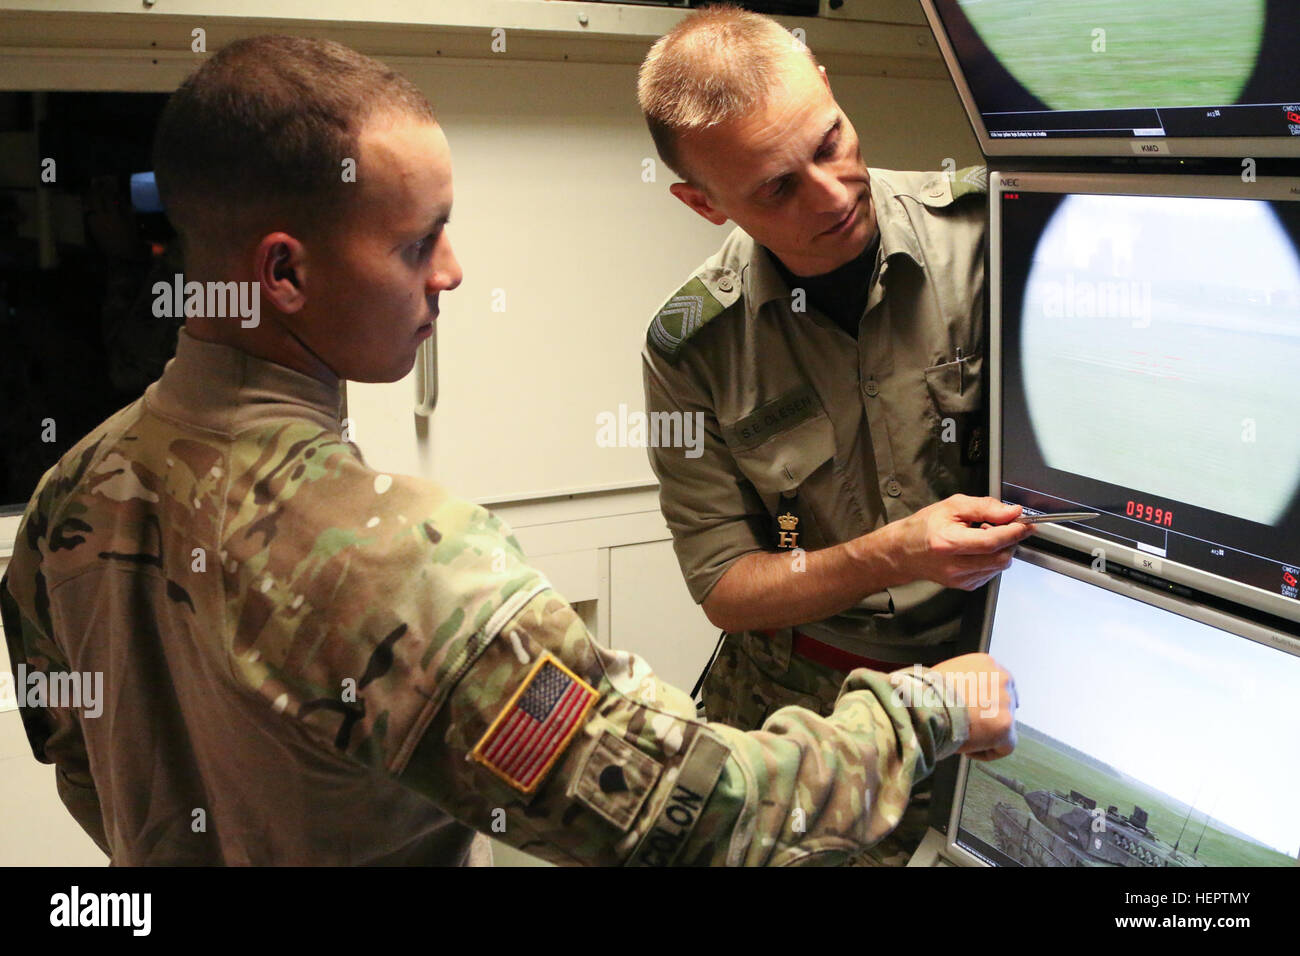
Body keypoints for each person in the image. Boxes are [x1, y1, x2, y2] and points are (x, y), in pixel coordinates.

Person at [0, 34, 1016, 867]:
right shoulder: (396, 561)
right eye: (416, 240)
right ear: (286, 273)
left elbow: (80, 766)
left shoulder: (68, 496)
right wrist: (927, 705)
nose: (452, 270)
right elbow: (695, 809)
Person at [637, 5, 1034, 862]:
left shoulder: (986, 233)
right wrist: (895, 552)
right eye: (778, 187)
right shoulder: (693, 345)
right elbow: (726, 585)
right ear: (703, 204)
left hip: (989, 689)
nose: (833, 192)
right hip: (805, 711)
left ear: (826, 83)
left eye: (829, 143)